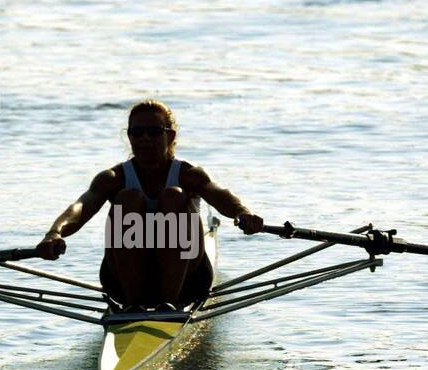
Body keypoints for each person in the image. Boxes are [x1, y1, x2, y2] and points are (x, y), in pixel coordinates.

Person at [36, 100, 264, 310]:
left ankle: (169, 305)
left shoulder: (189, 175)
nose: (145, 138)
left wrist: (243, 214)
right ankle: (134, 306)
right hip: (123, 283)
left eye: (154, 132)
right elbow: (81, 207)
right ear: (129, 136)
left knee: (173, 196)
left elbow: (221, 195)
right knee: (128, 198)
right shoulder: (113, 178)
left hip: (188, 281)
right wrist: (54, 233)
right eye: (137, 132)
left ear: (171, 136)